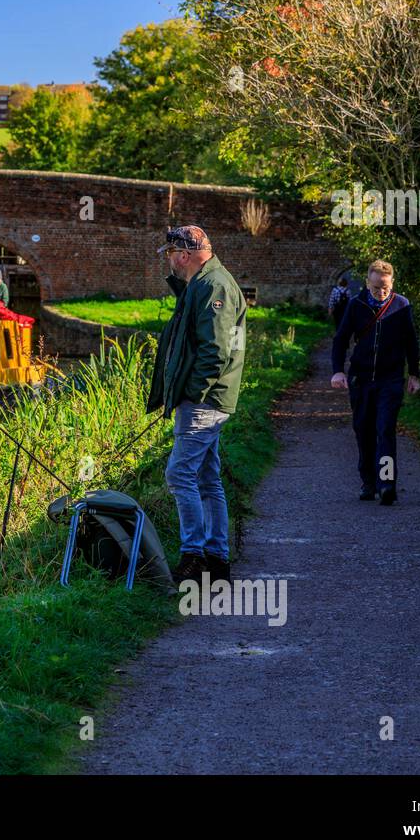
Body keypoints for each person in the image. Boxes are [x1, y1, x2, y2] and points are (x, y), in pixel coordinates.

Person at [145, 225, 246, 584]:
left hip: (204, 400)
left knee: (179, 473)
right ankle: (217, 560)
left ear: (184, 255)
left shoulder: (213, 286)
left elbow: (216, 351)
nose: (168, 261)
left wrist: (193, 392)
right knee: (206, 478)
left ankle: (194, 558)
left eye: (170, 254)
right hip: (207, 398)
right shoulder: (203, 283)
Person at [330, 259, 420, 506]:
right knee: (363, 430)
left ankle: (387, 484)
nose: (381, 293)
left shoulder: (401, 305)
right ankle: (368, 482)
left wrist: (414, 374)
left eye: (385, 288)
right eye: (376, 288)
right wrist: (338, 371)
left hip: (390, 379)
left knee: (385, 430)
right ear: (367, 283)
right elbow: (340, 340)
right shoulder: (356, 305)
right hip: (361, 379)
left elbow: (411, 341)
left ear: (392, 284)